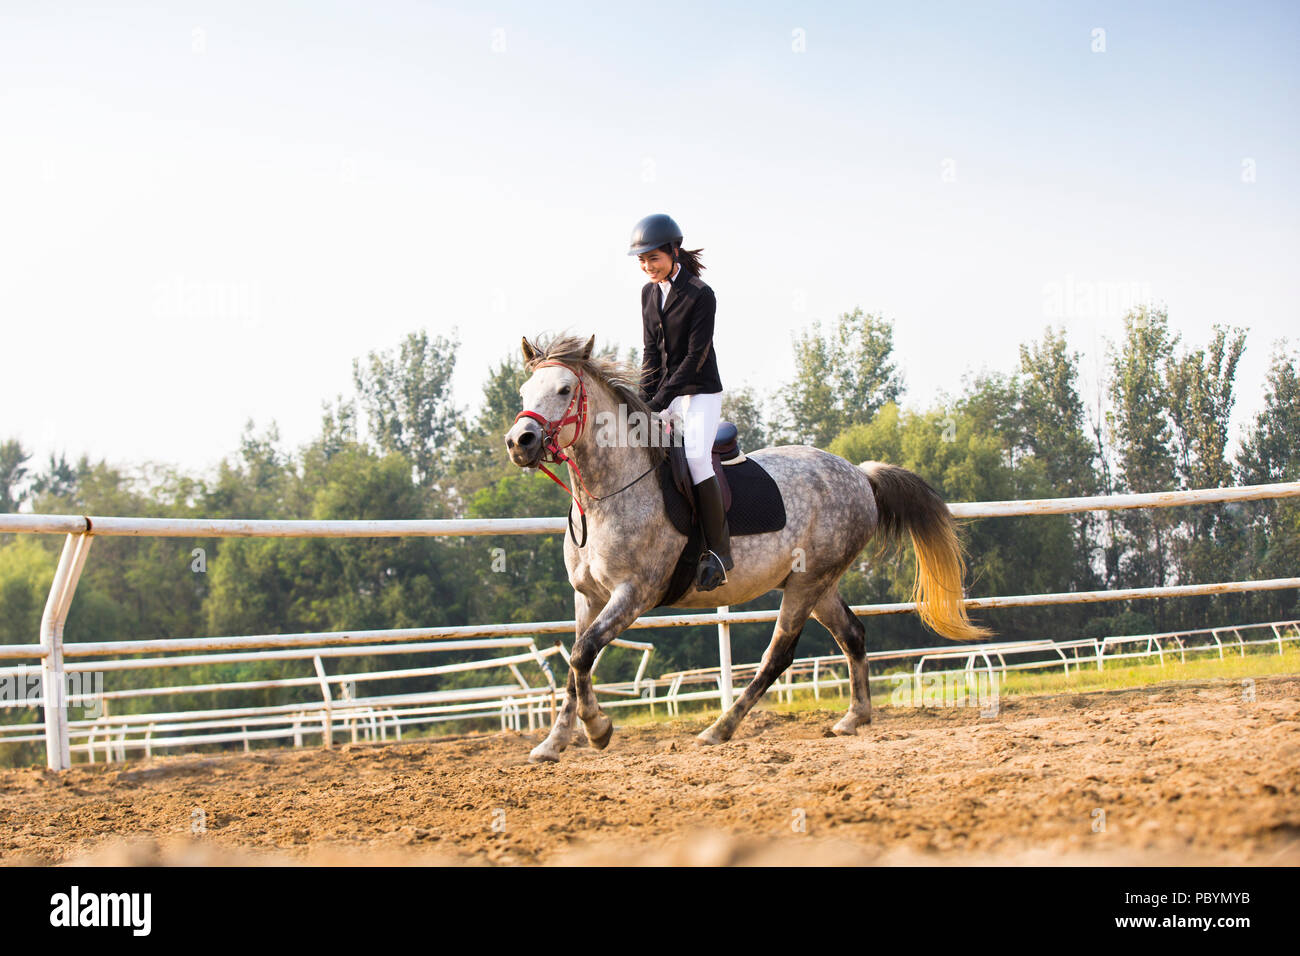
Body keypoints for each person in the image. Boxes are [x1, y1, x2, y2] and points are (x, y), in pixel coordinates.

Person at [629, 213, 732, 591]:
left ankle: (719, 552)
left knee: (695, 457)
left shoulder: (700, 294)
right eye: (641, 261)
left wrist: (661, 401)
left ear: (674, 251)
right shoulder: (648, 294)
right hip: (666, 393)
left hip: (700, 391)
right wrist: (641, 403)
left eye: (653, 258)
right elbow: (651, 354)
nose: (647, 267)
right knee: (638, 446)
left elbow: (695, 356)